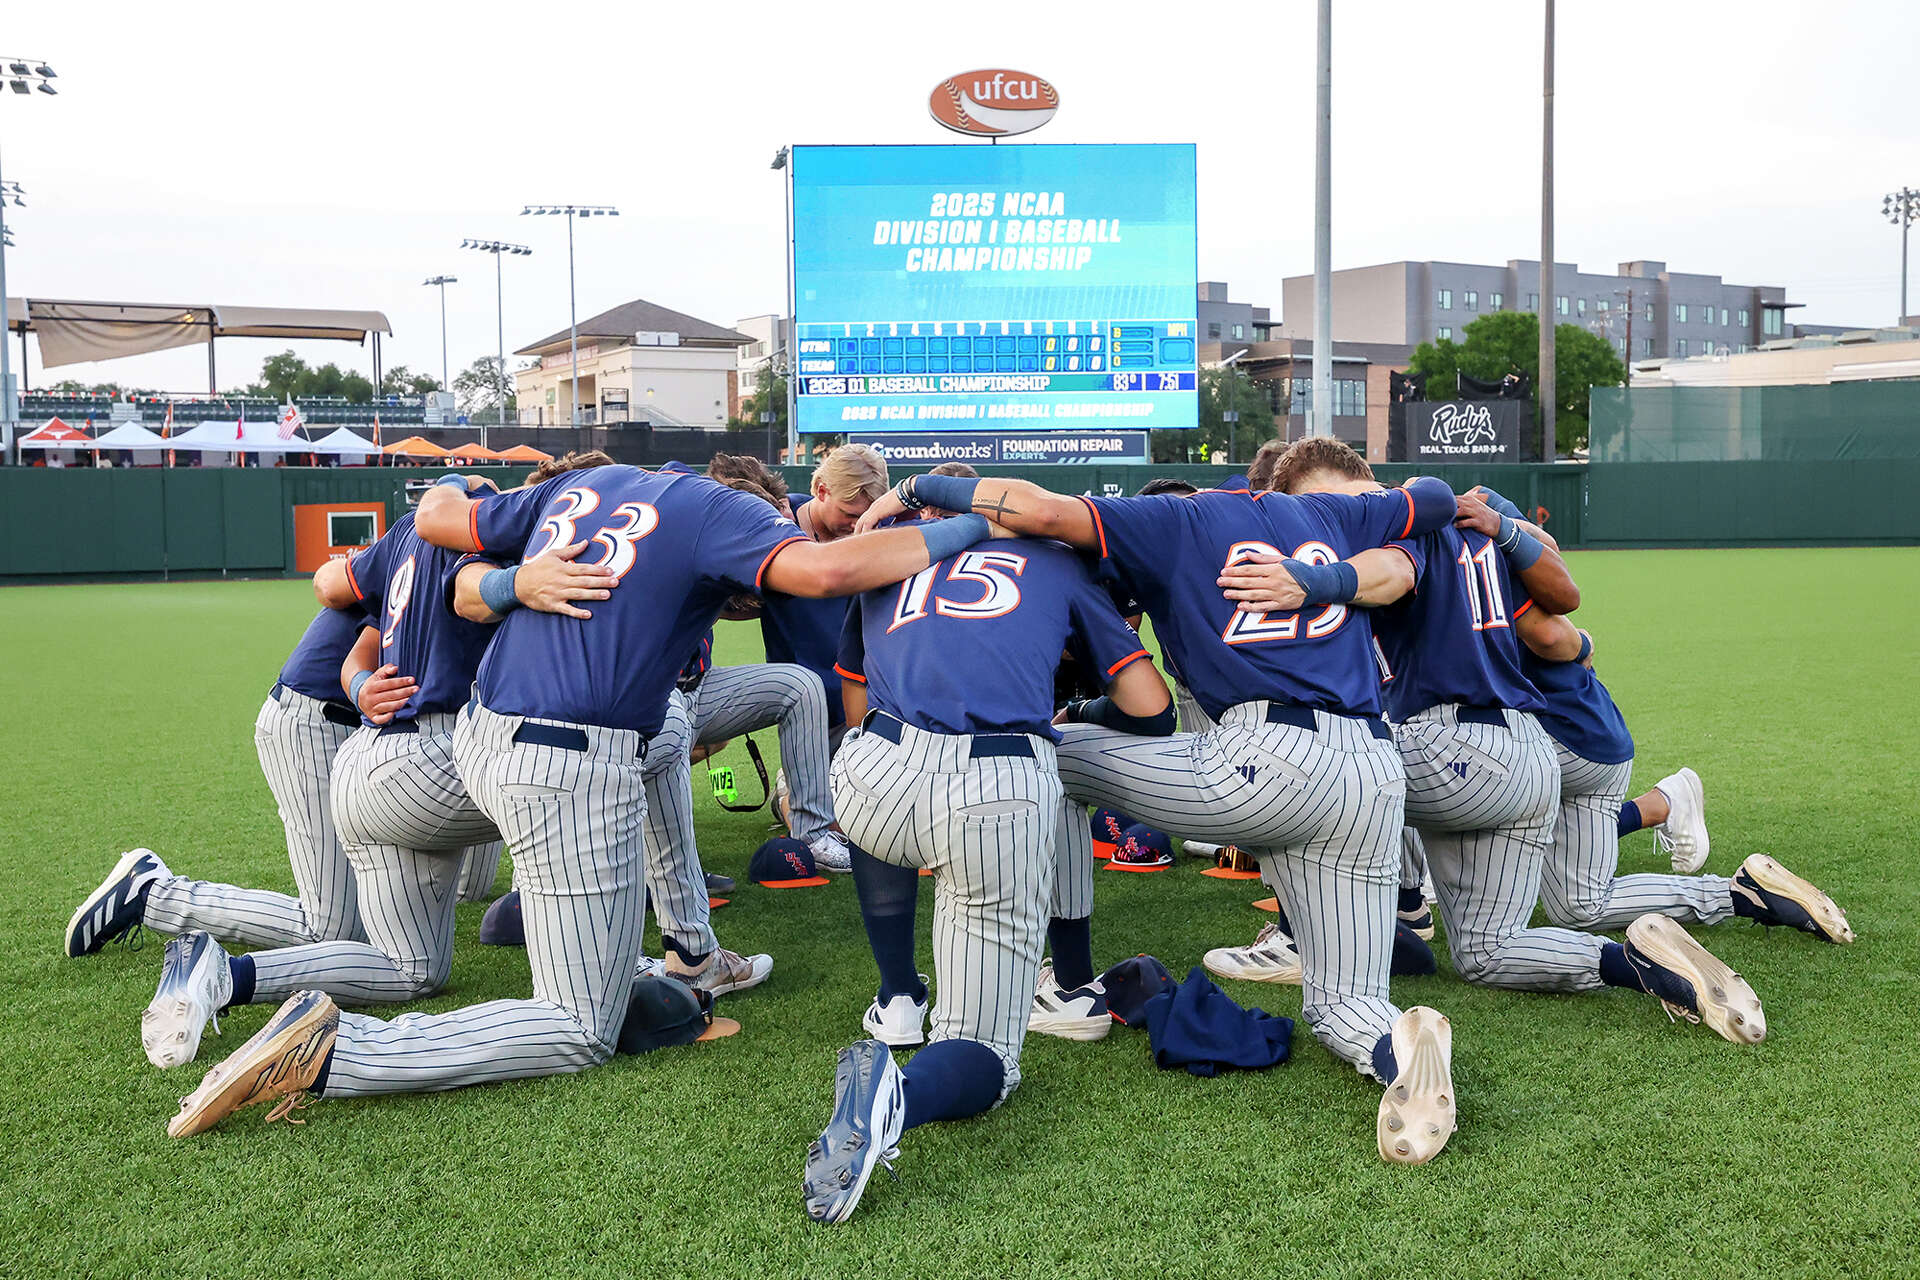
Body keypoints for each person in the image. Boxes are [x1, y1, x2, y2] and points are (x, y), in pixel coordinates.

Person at [164, 462, 1000, 1137]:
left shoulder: (584, 488)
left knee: (416, 962)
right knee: (577, 1024)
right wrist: (972, 524)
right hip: (553, 759)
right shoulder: (716, 513)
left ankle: (241, 978)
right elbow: (824, 570)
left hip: (444, 748)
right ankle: (336, 1051)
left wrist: (511, 586)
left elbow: (436, 520)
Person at [854, 462, 1465, 1165]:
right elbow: (1438, 498)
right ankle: (1400, 1049)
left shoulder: (1173, 520)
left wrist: (918, 490)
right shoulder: (1329, 512)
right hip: (1372, 771)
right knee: (1342, 1005)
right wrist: (1326, 580)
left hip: (1267, 757)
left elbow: (1038, 511)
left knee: (1050, 758)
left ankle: (1071, 985)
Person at [1238, 439, 1772, 1047]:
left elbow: (1393, 581)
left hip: (1455, 743)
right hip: (1525, 751)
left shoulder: (1391, 533)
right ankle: (1651, 966)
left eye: (1323, 507)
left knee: (1314, 782)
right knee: (1490, 952)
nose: (1325, 523)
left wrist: (1312, 581)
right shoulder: (1464, 525)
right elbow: (1553, 601)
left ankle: (1300, 935)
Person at [804, 525, 1172, 1223]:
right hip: (996, 785)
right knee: (985, 1057)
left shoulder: (892, 555)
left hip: (874, 775)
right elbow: (1153, 711)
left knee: (869, 761)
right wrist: (1079, 712)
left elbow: (853, 709)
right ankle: (900, 1097)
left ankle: (899, 997)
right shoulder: (1054, 563)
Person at [1460, 486, 1852, 944]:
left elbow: (1553, 636)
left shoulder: (1485, 568)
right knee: (1578, 906)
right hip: (1590, 735)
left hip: (1561, 739)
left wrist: (1581, 643)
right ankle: (1740, 893)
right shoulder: (1516, 565)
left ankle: (1410, 893)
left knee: (1453, 779)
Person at [67, 608, 379, 975]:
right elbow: (332, 583)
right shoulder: (418, 553)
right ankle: (152, 894)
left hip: (353, 723)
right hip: (317, 723)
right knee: (332, 929)